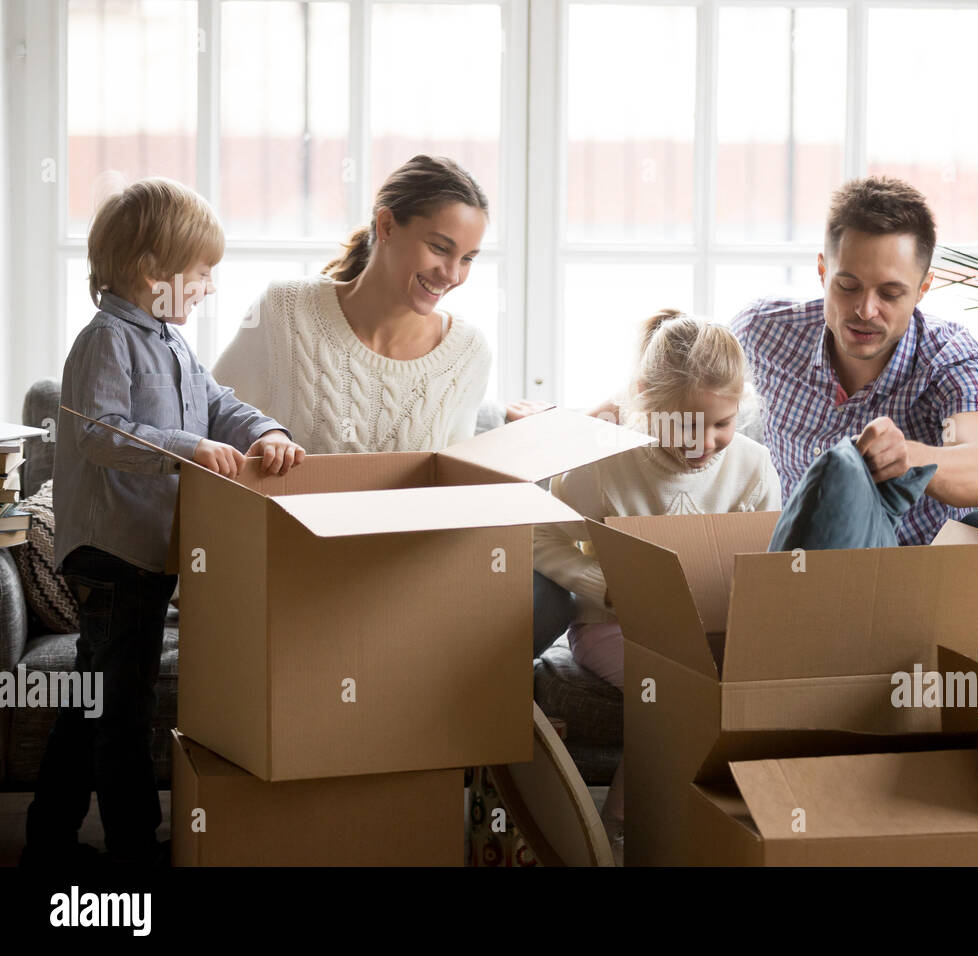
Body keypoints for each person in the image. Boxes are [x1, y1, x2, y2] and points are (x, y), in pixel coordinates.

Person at [24, 178, 305, 867]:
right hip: (111, 556)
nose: (210, 286)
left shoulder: (174, 345)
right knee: (123, 712)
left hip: (146, 554)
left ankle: (47, 842)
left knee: (89, 703)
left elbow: (221, 403)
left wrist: (265, 430)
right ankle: (132, 847)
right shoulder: (106, 342)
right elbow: (100, 432)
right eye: (202, 272)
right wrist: (188, 450)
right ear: (154, 273)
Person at [732, 176, 978, 644]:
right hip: (809, 585)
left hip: (923, 604)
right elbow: (692, 374)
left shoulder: (950, 360)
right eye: (848, 285)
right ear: (823, 271)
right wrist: (626, 404)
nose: (866, 310)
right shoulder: (764, 333)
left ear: (924, 287)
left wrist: (906, 455)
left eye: (890, 293)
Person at [533, 310, 783, 855]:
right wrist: (605, 582)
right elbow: (538, 538)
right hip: (614, 626)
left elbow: (771, 563)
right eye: (688, 424)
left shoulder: (753, 465)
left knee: (735, 685)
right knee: (682, 694)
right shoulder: (601, 462)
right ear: (646, 399)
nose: (706, 443)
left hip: (708, 627)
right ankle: (621, 826)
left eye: (722, 424)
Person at [214, 155, 505, 453]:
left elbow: (454, 481)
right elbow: (209, 422)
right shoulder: (286, 311)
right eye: (440, 248)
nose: (452, 274)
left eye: (468, 258)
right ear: (387, 225)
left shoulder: (468, 352)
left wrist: (505, 418)